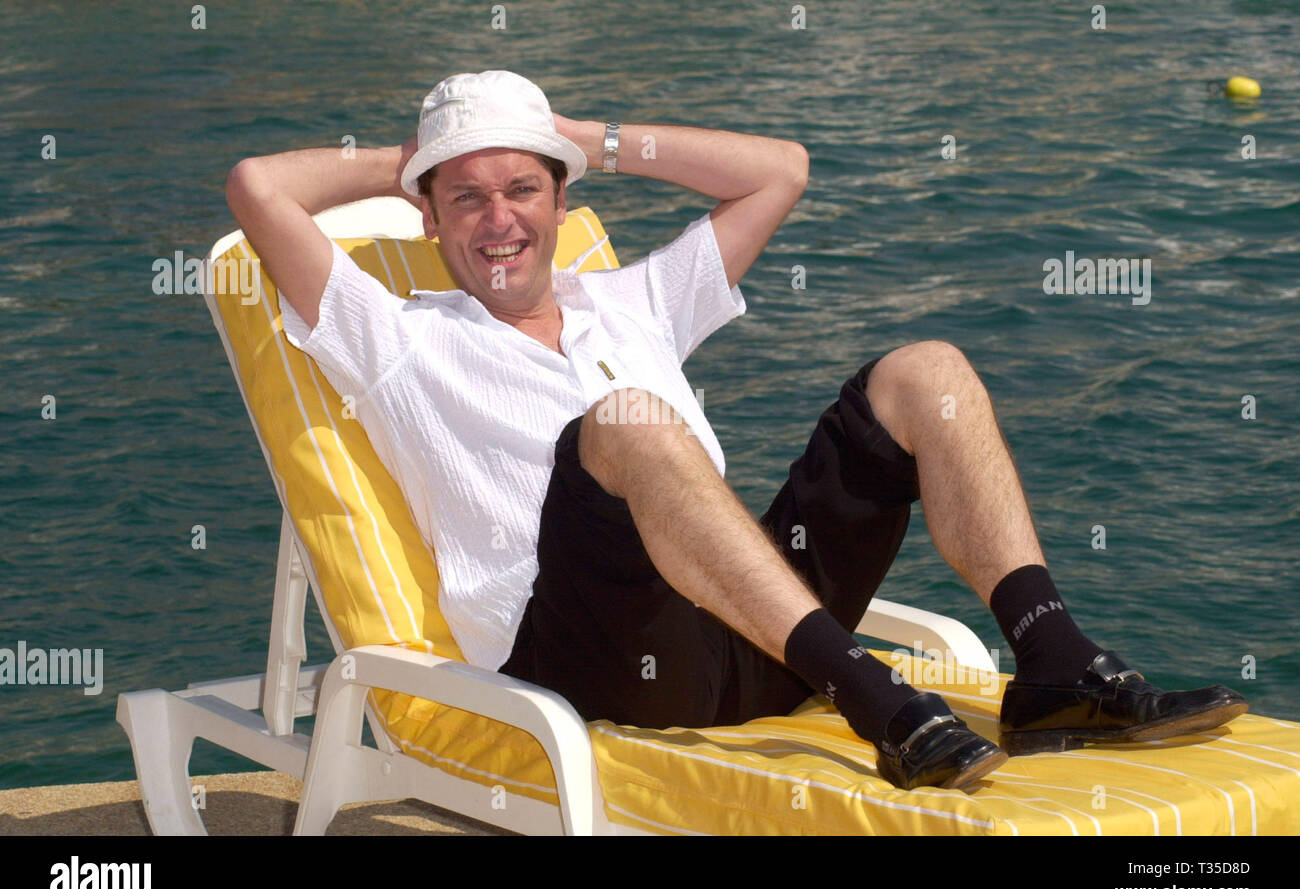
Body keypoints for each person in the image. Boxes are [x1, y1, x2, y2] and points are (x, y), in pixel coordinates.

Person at [225, 70, 1248, 792]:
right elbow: (258, 190)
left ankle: (1052, 662)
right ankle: (870, 697)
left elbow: (780, 170)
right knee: (627, 422)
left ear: (559, 193)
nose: (498, 219)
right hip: (582, 661)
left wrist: (587, 138)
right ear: (431, 221)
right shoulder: (395, 339)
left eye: (522, 187)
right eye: (467, 198)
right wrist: (427, 153)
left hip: (745, 636)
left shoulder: (630, 301)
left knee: (925, 375)